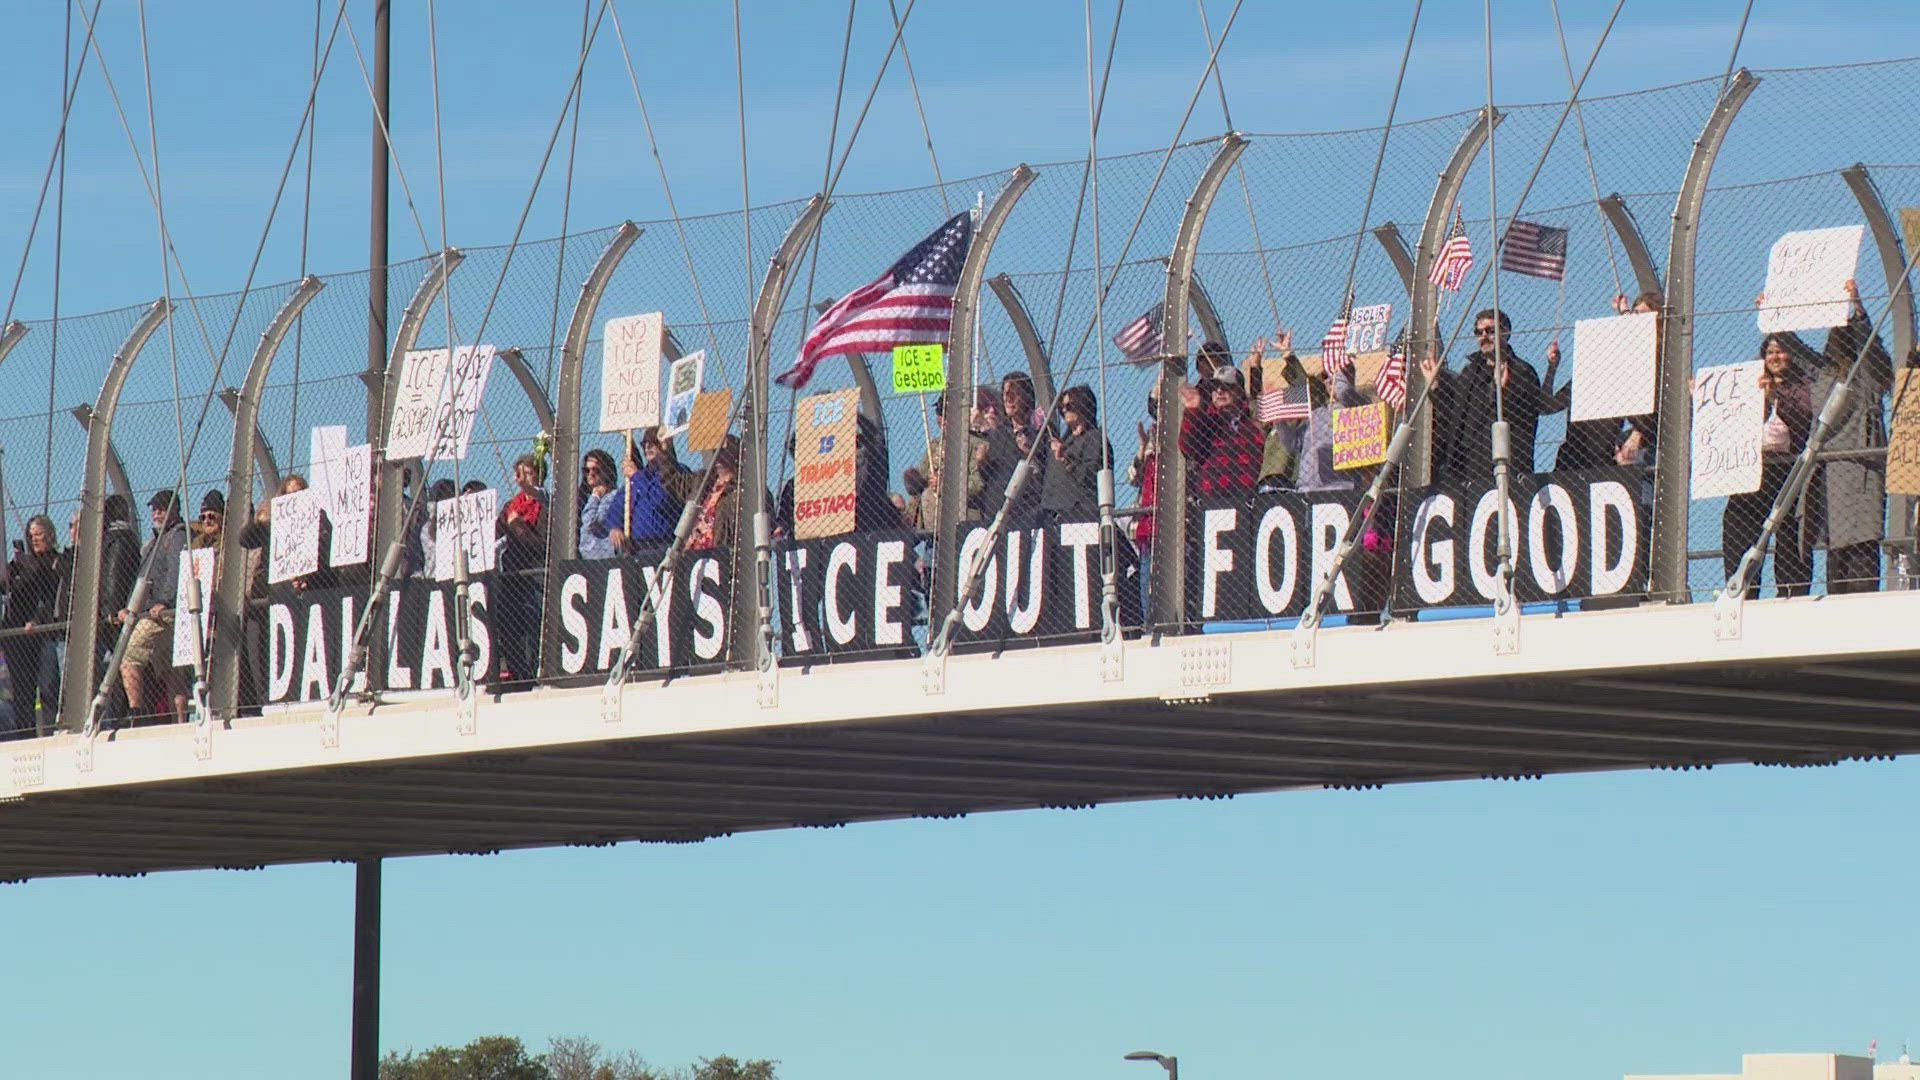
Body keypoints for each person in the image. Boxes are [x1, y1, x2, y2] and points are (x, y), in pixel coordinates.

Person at [1809, 278, 1891, 593]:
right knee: (1836, 553)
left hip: (1861, 466)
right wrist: (1775, 322)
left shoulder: (1867, 374)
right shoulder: (1823, 374)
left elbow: (1872, 350)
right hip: (1830, 467)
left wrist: (1858, 312)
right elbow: (1796, 352)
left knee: (1861, 546)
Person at [1722, 331, 1815, 599]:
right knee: (1738, 525)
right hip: (1752, 470)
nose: (1775, 356)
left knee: (1788, 532)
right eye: (1770, 351)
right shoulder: (1748, 385)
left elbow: (1802, 418)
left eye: (1780, 350)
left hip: (1786, 469)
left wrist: (1776, 396)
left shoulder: (1803, 385)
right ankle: (1741, 591)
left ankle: (1790, 592)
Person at [1540, 291, 1662, 473]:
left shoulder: (1640, 367)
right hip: (1571, 459)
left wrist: (1637, 435)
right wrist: (1552, 368)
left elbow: (1649, 416)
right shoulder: (1588, 373)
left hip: (1602, 462)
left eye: (1642, 316)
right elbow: (1547, 406)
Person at [1420, 308, 1545, 481]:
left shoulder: (1522, 371)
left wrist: (1504, 392)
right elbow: (1452, 413)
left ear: (1506, 332)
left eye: (1490, 331)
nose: (1484, 337)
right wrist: (1435, 387)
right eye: (1479, 332)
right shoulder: (1470, 372)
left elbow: (1525, 415)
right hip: (1467, 468)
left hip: (1506, 467)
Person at [120, 490, 189, 723]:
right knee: (171, 671)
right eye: (154, 508)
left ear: (174, 509)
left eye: (161, 508)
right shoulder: (153, 542)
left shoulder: (177, 536)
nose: (156, 513)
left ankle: (135, 713)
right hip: (154, 610)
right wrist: (131, 606)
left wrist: (165, 601)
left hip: (162, 613)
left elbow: (176, 570)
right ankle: (178, 721)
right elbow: (143, 577)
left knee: (128, 656)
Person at [2, 516, 66, 737]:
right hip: (19, 636)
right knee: (22, 690)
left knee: (48, 686)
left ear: (49, 534)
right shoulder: (22, 564)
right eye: (31, 535)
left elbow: (53, 596)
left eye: (39, 534)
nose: (35, 539)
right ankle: (25, 735)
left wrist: (38, 619)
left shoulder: (57, 561)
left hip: (45, 633)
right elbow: (7, 588)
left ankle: (49, 733)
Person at [494, 453, 549, 683]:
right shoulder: (511, 506)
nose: (523, 479)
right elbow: (498, 533)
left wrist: (518, 527)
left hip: (534, 574)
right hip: (512, 575)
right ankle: (516, 671)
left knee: (534, 623)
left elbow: (542, 544)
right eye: (520, 473)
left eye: (529, 473)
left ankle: (535, 670)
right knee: (509, 625)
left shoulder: (545, 505)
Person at [902, 390, 989, 531]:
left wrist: (944, 485)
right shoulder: (934, 445)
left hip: (962, 525)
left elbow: (977, 485)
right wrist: (914, 478)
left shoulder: (974, 444)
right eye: (940, 411)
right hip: (932, 527)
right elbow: (922, 480)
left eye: (948, 412)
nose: (943, 417)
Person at [1178, 364, 1263, 501]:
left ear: (1239, 391)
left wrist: (1255, 369)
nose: (1219, 391)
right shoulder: (1207, 421)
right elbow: (1188, 447)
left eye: (1226, 386)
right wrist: (1192, 412)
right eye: (1214, 387)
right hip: (1212, 499)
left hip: (1247, 499)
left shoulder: (1252, 425)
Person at [605, 427, 690, 554]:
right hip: (637, 547)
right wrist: (615, 526)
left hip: (663, 545)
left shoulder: (675, 474)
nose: (648, 446)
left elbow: (659, 499)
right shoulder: (641, 476)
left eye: (653, 442)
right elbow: (618, 503)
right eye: (645, 443)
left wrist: (635, 476)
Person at [979, 372, 1046, 523]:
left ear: (1026, 396)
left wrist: (1030, 454)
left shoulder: (1041, 432)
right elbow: (988, 477)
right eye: (1005, 393)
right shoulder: (998, 434)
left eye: (1014, 394)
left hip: (1027, 514)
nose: (1008, 399)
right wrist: (982, 463)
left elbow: (1046, 477)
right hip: (996, 511)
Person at [1039, 385, 1109, 523]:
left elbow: (1091, 475)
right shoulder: (1065, 441)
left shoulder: (1094, 438)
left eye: (1069, 406)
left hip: (1080, 513)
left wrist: (1066, 460)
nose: (1064, 410)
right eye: (1062, 406)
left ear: (1083, 406)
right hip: (1054, 515)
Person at [685, 445, 741, 552]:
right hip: (694, 549)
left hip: (716, 551)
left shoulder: (738, 490)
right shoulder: (706, 483)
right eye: (716, 451)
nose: (719, 456)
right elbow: (675, 481)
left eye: (724, 452)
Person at [576, 448, 620, 559]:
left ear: (606, 471)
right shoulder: (584, 497)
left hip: (605, 558)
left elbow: (591, 522)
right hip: (586, 558)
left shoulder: (614, 496)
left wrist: (595, 497)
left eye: (595, 470)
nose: (590, 474)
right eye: (587, 470)